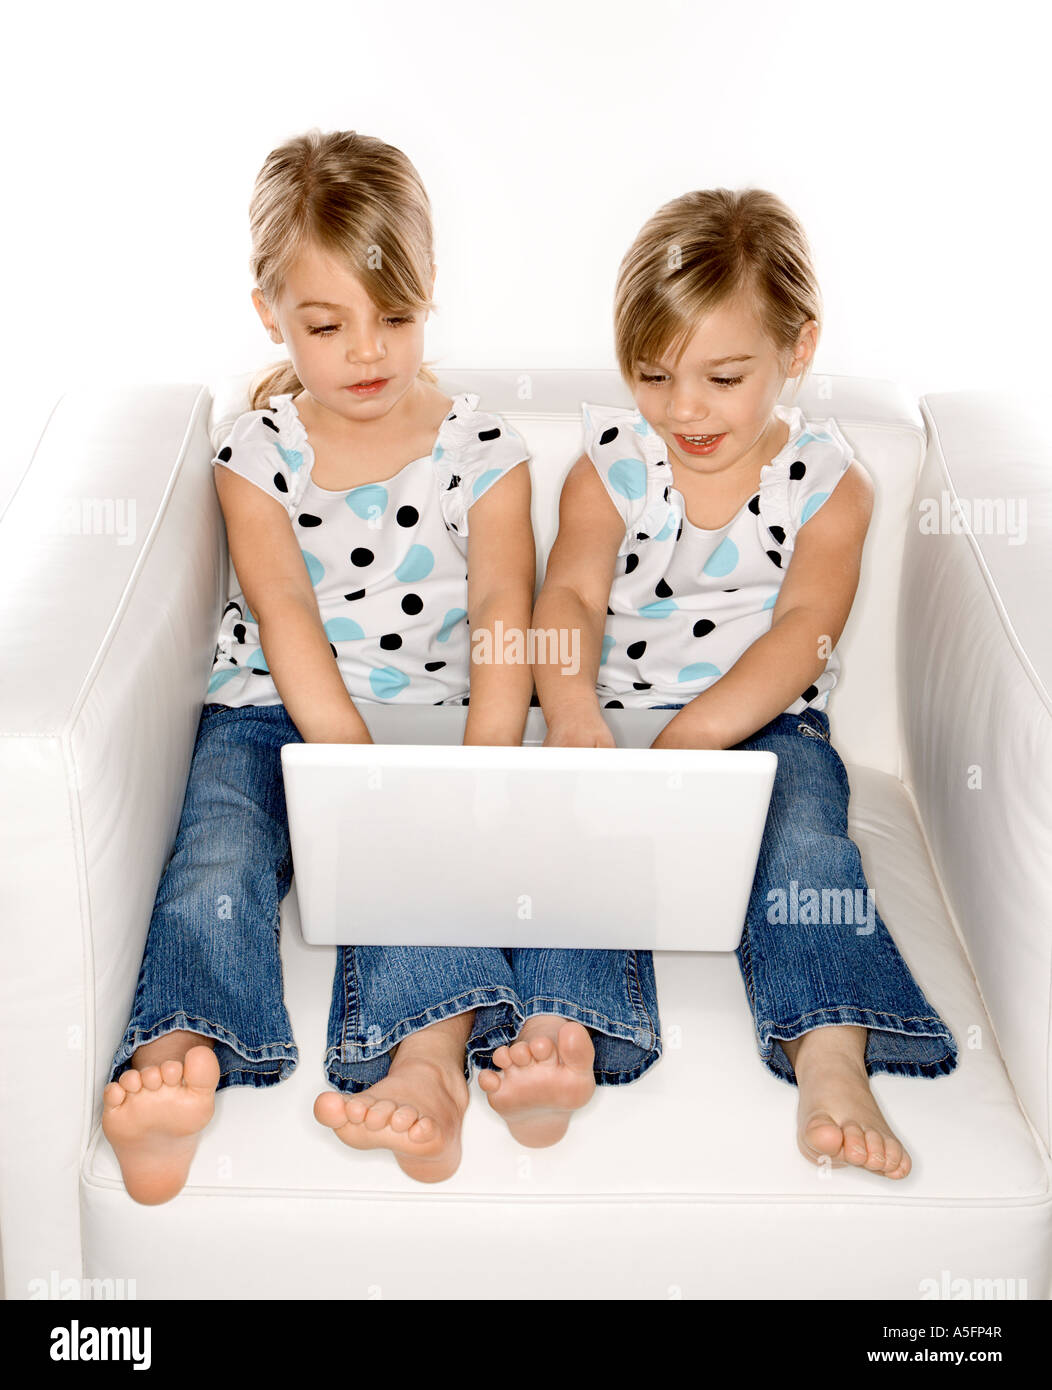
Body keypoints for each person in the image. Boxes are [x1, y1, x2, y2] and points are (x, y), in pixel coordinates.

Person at [101, 128, 661, 1203]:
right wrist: (353, 776)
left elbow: (505, 607)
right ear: (270, 312)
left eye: (395, 318)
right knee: (217, 861)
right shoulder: (254, 454)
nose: (367, 352)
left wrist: (473, 765)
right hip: (273, 713)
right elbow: (284, 614)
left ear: (430, 292)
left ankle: (430, 1070)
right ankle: (184, 1054)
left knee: (433, 863)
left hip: (441, 718)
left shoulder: (480, 445)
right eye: (327, 323)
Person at [533, 187, 957, 1180]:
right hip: (616, 719)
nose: (683, 409)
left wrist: (700, 734)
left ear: (794, 351)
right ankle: (566, 1029)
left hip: (762, 730)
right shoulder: (610, 466)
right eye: (653, 374)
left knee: (806, 851)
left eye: (722, 377)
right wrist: (573, 713)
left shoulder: (827, 481)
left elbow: (805, 632)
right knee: (565, 857)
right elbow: (570, 597)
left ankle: (828, 1053)